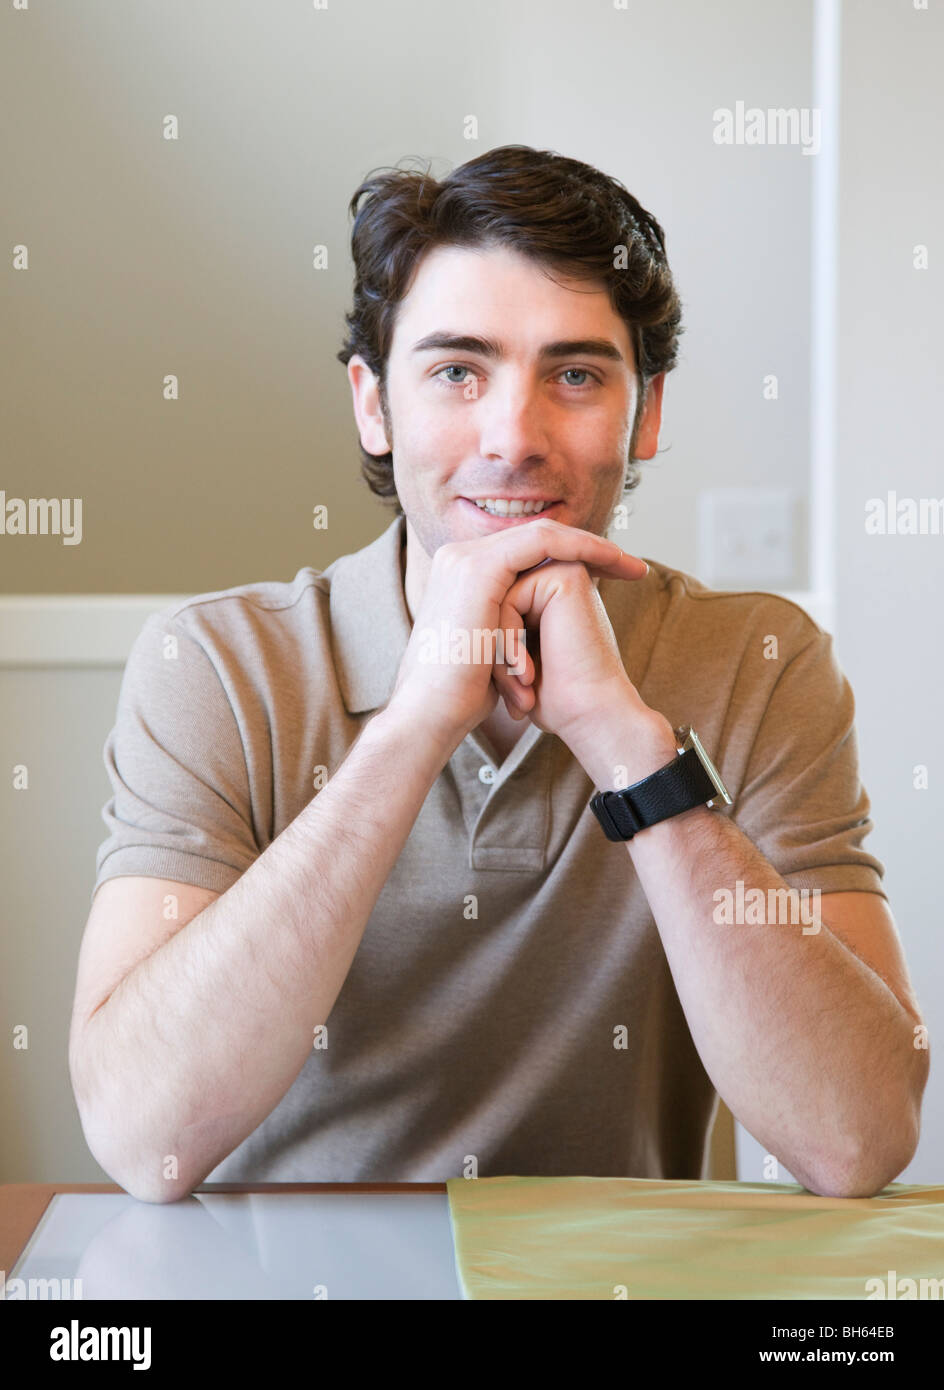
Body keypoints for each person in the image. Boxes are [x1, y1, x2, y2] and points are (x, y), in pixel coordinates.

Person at [68, 146, 927, 1204]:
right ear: (373, 404)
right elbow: (139, 1136)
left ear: (642, 413)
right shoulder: (212, 665)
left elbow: (856, 1139)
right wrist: (414, 725)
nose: (512, 439)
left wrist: (627, 746)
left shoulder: (757, 662)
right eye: (456, 372)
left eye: (573, 374)